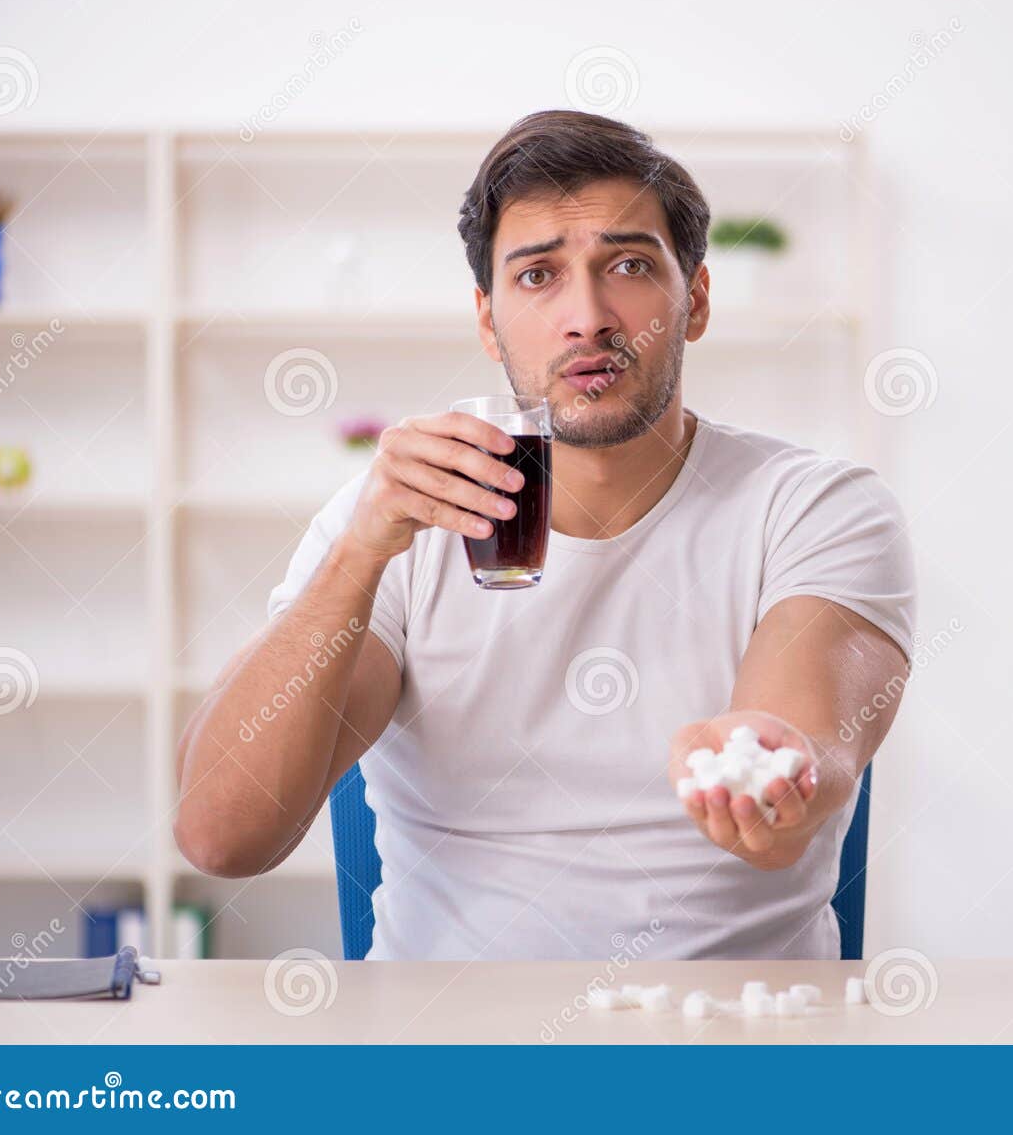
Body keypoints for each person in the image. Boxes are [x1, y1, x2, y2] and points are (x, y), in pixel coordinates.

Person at [174, 110, 917, 960]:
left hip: (729, 1049)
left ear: (696, 300)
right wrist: (358, 554)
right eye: (538, 277)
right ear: (487, 321)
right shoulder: (391, 520)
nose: (588, 316)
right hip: (446, 1050)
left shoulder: (815, 507)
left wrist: (766, 771)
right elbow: (220, 839)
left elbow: (792, 790)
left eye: (629, 265)